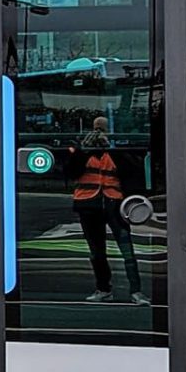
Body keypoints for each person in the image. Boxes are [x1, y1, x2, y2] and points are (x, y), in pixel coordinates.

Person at [65, 116, 149, 305]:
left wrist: (112, 148)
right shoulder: (82, 153)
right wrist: (83, 151)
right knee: (97, 251)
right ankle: (103, 288)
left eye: (102, 129)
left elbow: (132, 172)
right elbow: (71, 172)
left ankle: (136, 291)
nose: (98, 133)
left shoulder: (117, 153)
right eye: (96, 129)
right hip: (89, 205)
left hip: (115, 204)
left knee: (127, 249)